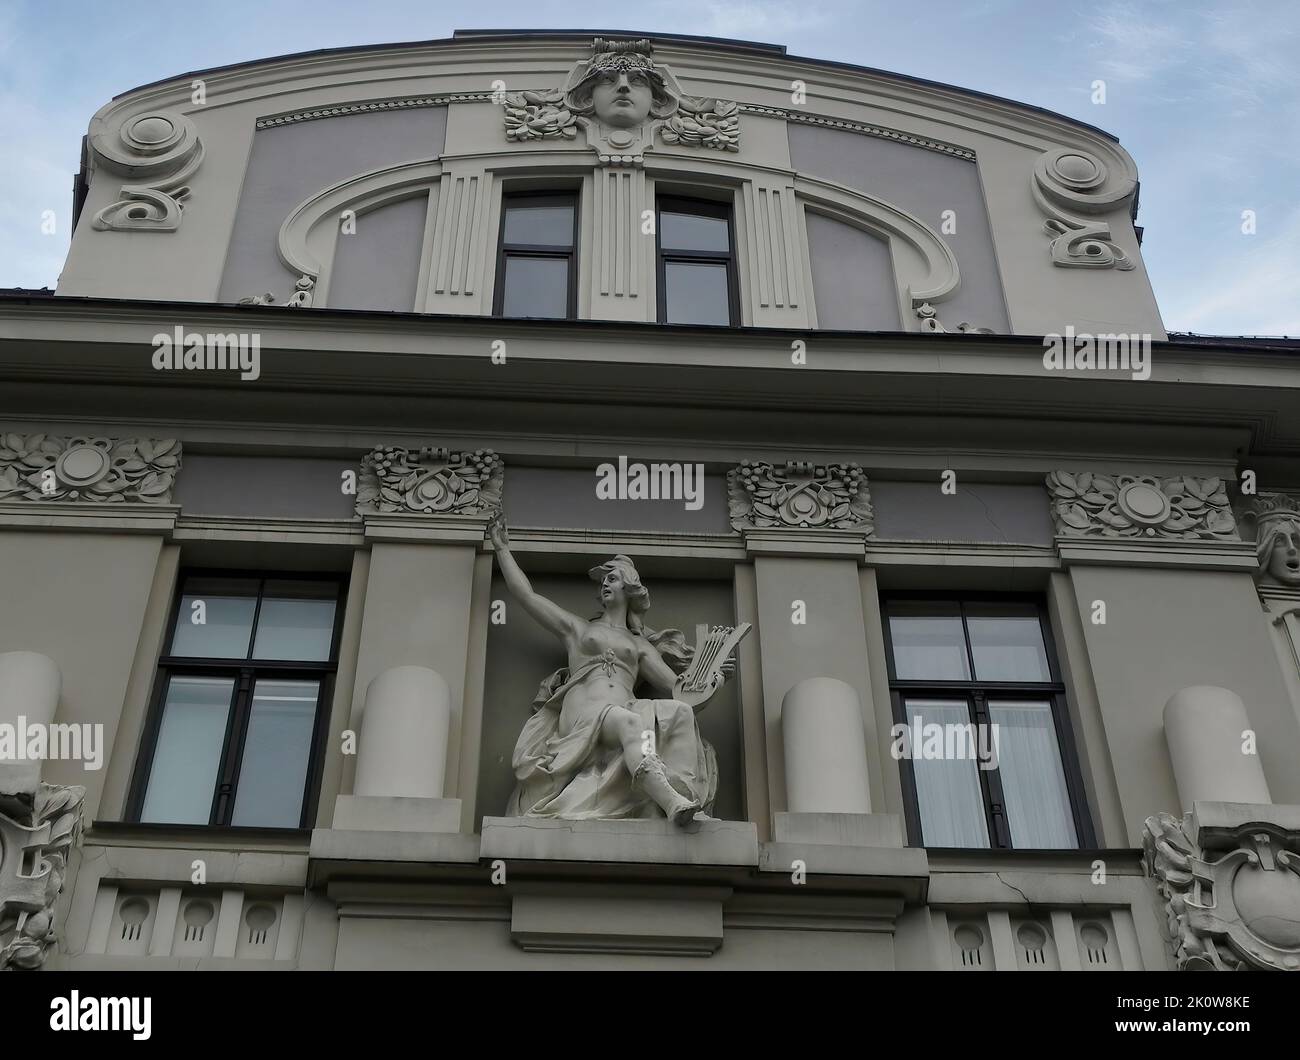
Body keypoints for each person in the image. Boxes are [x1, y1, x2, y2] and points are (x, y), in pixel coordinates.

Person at [487, 512, 730, 825]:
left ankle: (685, 799)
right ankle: (671, 803)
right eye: (603, 580)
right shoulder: (577, 629)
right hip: (585, 712)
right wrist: (503, 550)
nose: (604, 584)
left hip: (622, 709)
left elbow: (681, 695)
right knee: (631, 723)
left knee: (678, 715)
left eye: (612, 578)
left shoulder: (641, 646)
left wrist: (713, 680)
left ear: (629, 588)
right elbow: (527, 596)